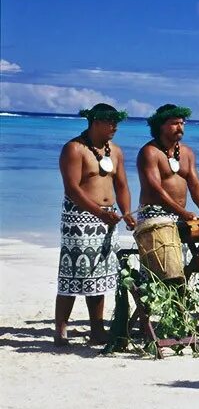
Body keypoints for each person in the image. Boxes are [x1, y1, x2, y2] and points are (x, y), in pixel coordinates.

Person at [56, 103, 134, 346]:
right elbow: (72, 189)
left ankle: (97, 329)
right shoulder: (74, 149)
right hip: (79, 218)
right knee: (72, 272)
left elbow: (121, 186)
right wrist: (98, 213)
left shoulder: (116, 152)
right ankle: (60, 330)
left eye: (116, 122)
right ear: (95, 122)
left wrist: (127, 212)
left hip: (107, 219)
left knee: (98, 275)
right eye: (110, 122)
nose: (114, 127)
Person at [136, 104, 199, 225]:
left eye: (182, 123)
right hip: (154, 213)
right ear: (160, 126)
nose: (180, 127)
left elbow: (195, 183)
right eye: (174, 124)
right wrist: (182, 212)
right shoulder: (150, 152)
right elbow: (155, 189)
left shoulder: (187, 152)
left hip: (180, 215)